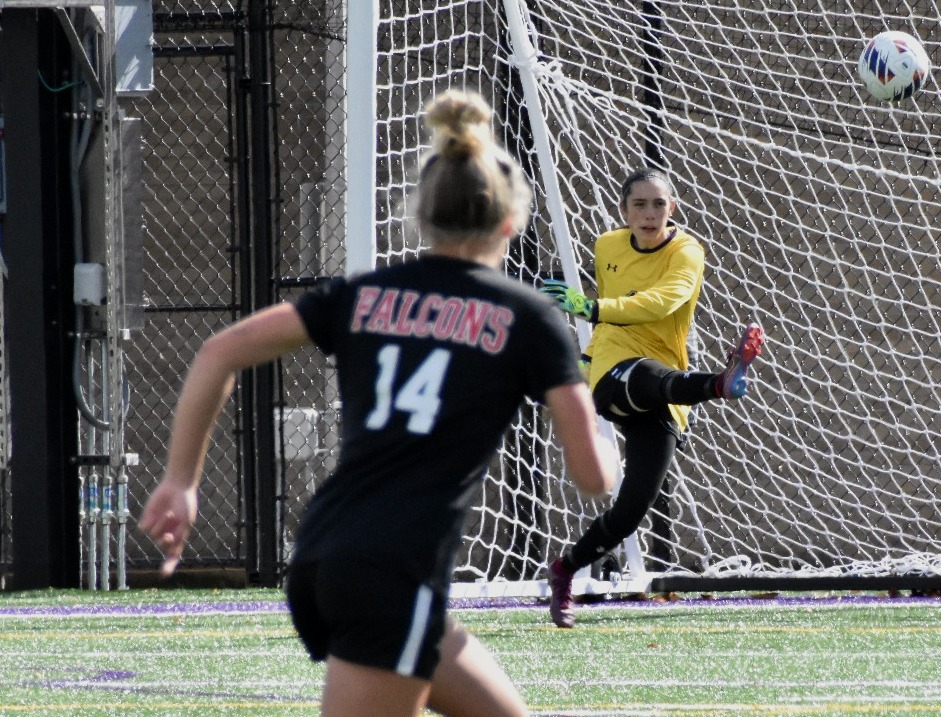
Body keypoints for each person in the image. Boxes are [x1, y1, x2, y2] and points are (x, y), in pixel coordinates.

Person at [139, 89, 617, 717]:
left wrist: (181, 481)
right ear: (510, 221)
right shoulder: (526, 316)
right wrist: (614, 444)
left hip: (329, 550)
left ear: (420, 214)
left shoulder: (365, 294)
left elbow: (217, 353)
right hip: (393, 569)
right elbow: (591, 477)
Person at [538, 167, 764, 629]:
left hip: (665, 383)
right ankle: (720, 384)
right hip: (616, 372)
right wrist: (585, 361)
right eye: (638, 204)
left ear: (673, 208)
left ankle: (564, 571)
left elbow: (662, 301)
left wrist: (589, 307)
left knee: (631, 511)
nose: (648, 213)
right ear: (623, 211)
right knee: (645, 375)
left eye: (658, 204)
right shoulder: (608, 246)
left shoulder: (687, 251)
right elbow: (609, 319)